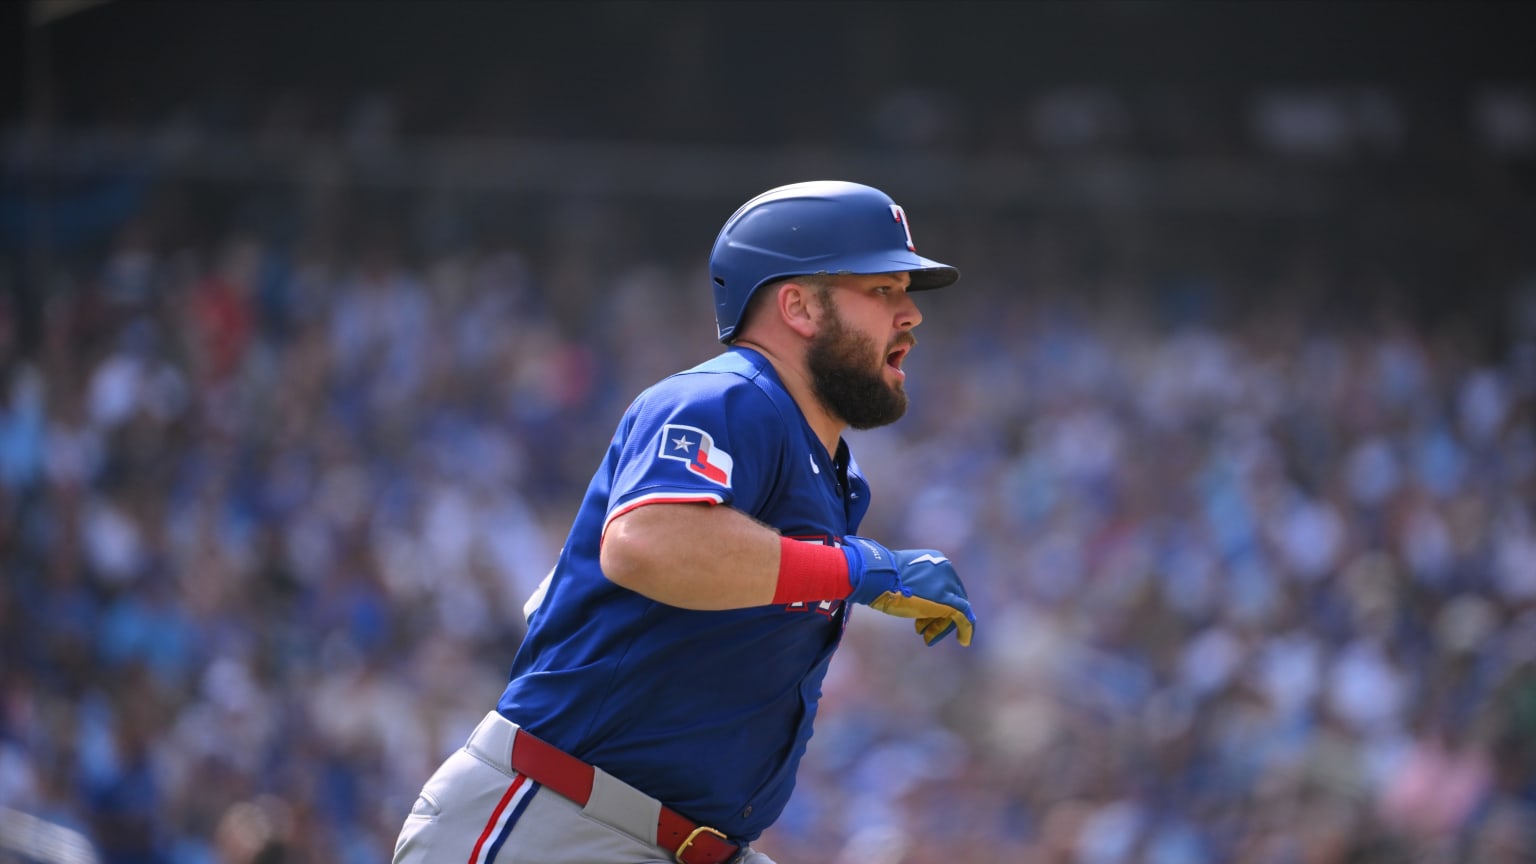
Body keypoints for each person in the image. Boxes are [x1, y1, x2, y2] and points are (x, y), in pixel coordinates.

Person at [392, 180, 977, 864]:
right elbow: (648, 543)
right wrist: (863, 569)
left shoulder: (830, 472)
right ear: (797, 306)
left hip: (673, 841)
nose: (910, 314)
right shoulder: (727, 397)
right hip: (559, 821)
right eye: (881, 289)